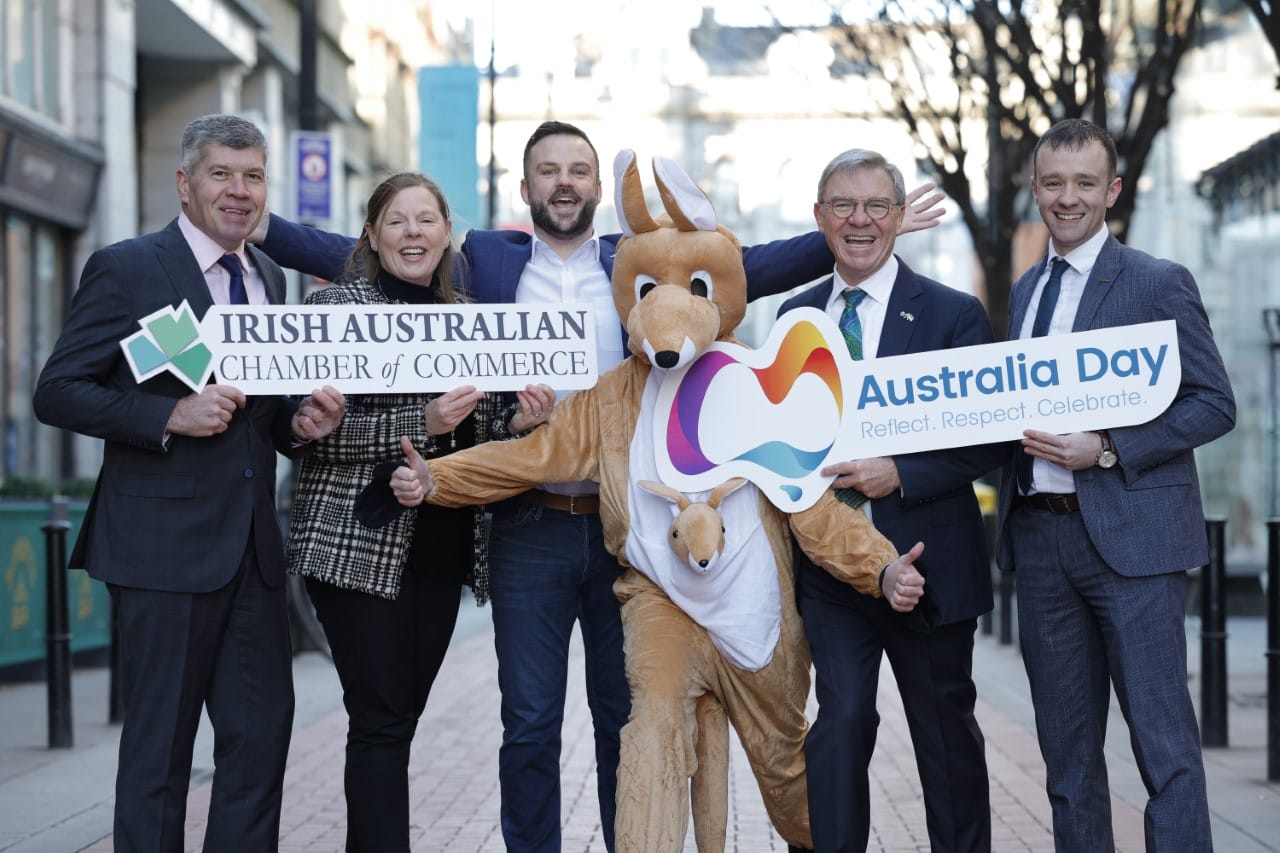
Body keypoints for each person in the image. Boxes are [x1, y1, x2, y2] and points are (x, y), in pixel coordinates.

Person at [256, 121, 942, 852]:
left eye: (578, 170)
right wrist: (263, 227)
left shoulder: (635, 260)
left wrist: (846, 233)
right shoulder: (485, 261)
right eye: (548, 170)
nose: (564, 182)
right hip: (527, 522)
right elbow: (371, 247)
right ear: (526, 186)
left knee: (624, 712)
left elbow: (747, 264)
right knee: (528, 719)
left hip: (627, 533)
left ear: (595, 188)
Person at [32, 114, 345, 853]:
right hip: (161, 553)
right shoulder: (128, 268)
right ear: (185, 182)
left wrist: (301, 424)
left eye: (253, 176)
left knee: (261, 740)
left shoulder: (267, 276)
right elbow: (58, 391)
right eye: (221, 174)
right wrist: (168, 413)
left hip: (253, 558)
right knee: (160, 750)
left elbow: (260, 417)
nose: (239, 190)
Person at [286, 171, 554, 851]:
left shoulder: (470, 316)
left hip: (441, 546)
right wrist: (422, 421)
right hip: (355, 542)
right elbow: (313, 436)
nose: (413, 232)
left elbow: (482, 432)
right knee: (379, 719)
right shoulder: (334, 308)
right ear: (372, 234)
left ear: (446, 232)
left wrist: (519, 421)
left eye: (426, 219)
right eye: (397, 220)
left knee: (398, 719)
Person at [995, 118, 1235, 852]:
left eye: (1084, 183)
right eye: (1054, 183)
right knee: (1067, 763)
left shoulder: (1157, 283)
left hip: (1134, 546)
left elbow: (1213, 402)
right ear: (1036, 188)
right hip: (1041, 544)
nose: (1067, 198)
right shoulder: (1026, 291)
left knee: (1166, 753)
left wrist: (1106, 449)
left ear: (1113, 191)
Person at [777, 148, 1005, 852]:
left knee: (945, 735)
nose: (861, 220)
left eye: (877, 205)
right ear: (820, 217)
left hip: (929, 565)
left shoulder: (953, 315)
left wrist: (900, 472)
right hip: (833, 571)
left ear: (900, 216)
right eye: (844, 205)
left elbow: (990, 441)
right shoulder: (794, 316)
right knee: (841, 723)